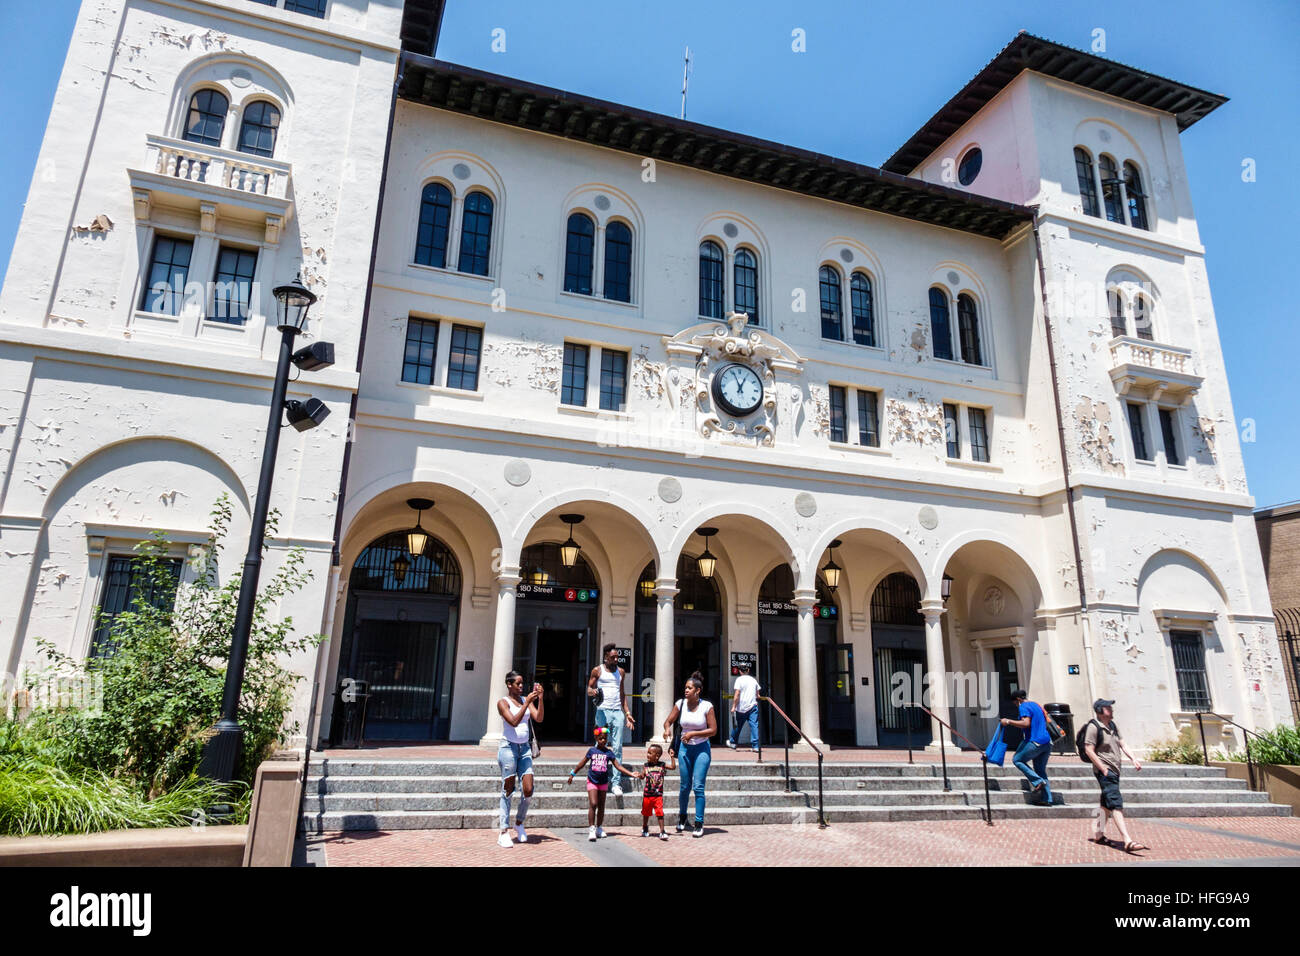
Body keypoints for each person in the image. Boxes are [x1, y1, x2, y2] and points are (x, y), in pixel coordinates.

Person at [1083, 698, 1148, 853]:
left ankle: (1099, 835)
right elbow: (1088, 750)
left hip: (1115, 770)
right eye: (1108, 708)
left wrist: (1133, 759)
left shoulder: (1113, 725)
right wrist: (1103, 769)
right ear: (1100, 711)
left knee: (1106, 803)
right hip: (1105, 771)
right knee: (1115, 803)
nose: (1111, 710)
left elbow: (1123, 744)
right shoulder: (1093, 727)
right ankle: (1127, 840)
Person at [663, 672, 717, 838]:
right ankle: (682, 818)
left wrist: (693, 734)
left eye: (689, 688)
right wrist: (666, 730)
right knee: (684, 785)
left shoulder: (706, 706)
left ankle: (699, 823)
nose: (686, 690)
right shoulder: (680, 704)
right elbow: (668, 721)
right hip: (685, 750)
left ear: (698, 691)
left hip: (701, 749)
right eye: (685, 687)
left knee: (698, 786)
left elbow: (713, 730)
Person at [496, 671, 543, 848]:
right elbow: (513, 722)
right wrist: (528, 703)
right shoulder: (503, 702)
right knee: (508, 788)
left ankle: (519, 823)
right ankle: (503, 831)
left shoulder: (525, 700)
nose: (521, 686)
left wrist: (540, 698)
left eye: (522, 683)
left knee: (529, 788)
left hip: (524, 749)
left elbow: (538, 717)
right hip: (508, 748)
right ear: (509, 685)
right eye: (518, 684)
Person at [568, 725, 638, 841]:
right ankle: (591, 828)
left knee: (601, 806)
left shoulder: (608, 753)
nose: (603, 741)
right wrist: (573, 774)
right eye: (601, 738)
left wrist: (631, 774)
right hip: (592, 781)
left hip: (603, 782)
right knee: (593, 803)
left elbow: (618, 766)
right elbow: (582, 763)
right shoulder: (592, 751)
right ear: (596, 739)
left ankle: (599, 828)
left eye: (605, 738)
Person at [587, 643, 635, 796]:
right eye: (613, 657)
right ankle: (596, 778)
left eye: (617, 657)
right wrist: (593, 691)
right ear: (606, 657)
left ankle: (616, 783)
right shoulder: (597, 670)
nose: (616, 659)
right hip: (602, 711)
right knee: (599, 745)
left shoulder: (621, 672)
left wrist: (627, 713)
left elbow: (622, 694)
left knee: (617, 747)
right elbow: (588, 689)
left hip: (617, 712)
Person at [1001, 688, 1053, 806]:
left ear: (1018, 699)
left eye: (1015, 702)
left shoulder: (1023, 706)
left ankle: (1038, 781)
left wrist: (1008, 721)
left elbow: (1026, 723)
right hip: (1047, 742)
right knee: (1040, 770)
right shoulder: (1037, 705)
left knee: (1017, 760)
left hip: (1035, 741)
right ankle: (1047, 799)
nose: (1015, 705)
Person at [636, 742, 676, 839]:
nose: (647, 755)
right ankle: (645, 827)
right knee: (646, 813)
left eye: (650, 753)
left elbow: (673, 767)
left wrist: (672, 757)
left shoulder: (662, 765)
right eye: (648, 753)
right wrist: (639, 775)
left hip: (658, 795)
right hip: (647, 795)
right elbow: (643, 775)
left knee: (660, 813)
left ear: (657, 756)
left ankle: (662, 831)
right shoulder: (646, 766)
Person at [727, 664, 761, 753]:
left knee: (737, 726)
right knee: (754, 726)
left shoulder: (739, 680)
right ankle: (756, 746)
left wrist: (733, 706)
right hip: (752, 706)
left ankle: (733, 743)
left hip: (741, 707)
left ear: (740, 671)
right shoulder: (753, 680)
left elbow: (737, 694)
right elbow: (758, 694)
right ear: (748, 670)